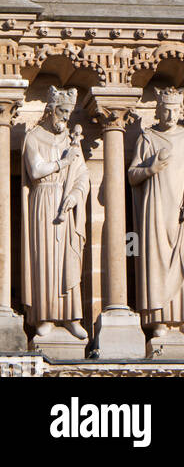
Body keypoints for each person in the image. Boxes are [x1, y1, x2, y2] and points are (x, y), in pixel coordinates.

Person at [128, 86, 184, 341]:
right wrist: (151, 168)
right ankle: (158, 320)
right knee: (154, 261)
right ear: (158, 111)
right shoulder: (147, 139)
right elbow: (131, 175)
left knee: (182, 259)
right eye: (166, 110)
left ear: (181, 112)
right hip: (155, 211)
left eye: (175, 110)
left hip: (180, 212)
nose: (170, 115)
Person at [21, 86, 88, 340]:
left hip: (65, 201)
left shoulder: (70, 141)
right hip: (44, 200)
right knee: (45, 257)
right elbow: (36, 170)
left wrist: (75, 194)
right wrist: (63, 162)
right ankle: (45, 314)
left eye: (69, 113)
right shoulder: (33, 137)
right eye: (62, 111)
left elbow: (82, 175)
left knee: (68, 256)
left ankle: (71, 316)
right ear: (50, 110)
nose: (66, 118)